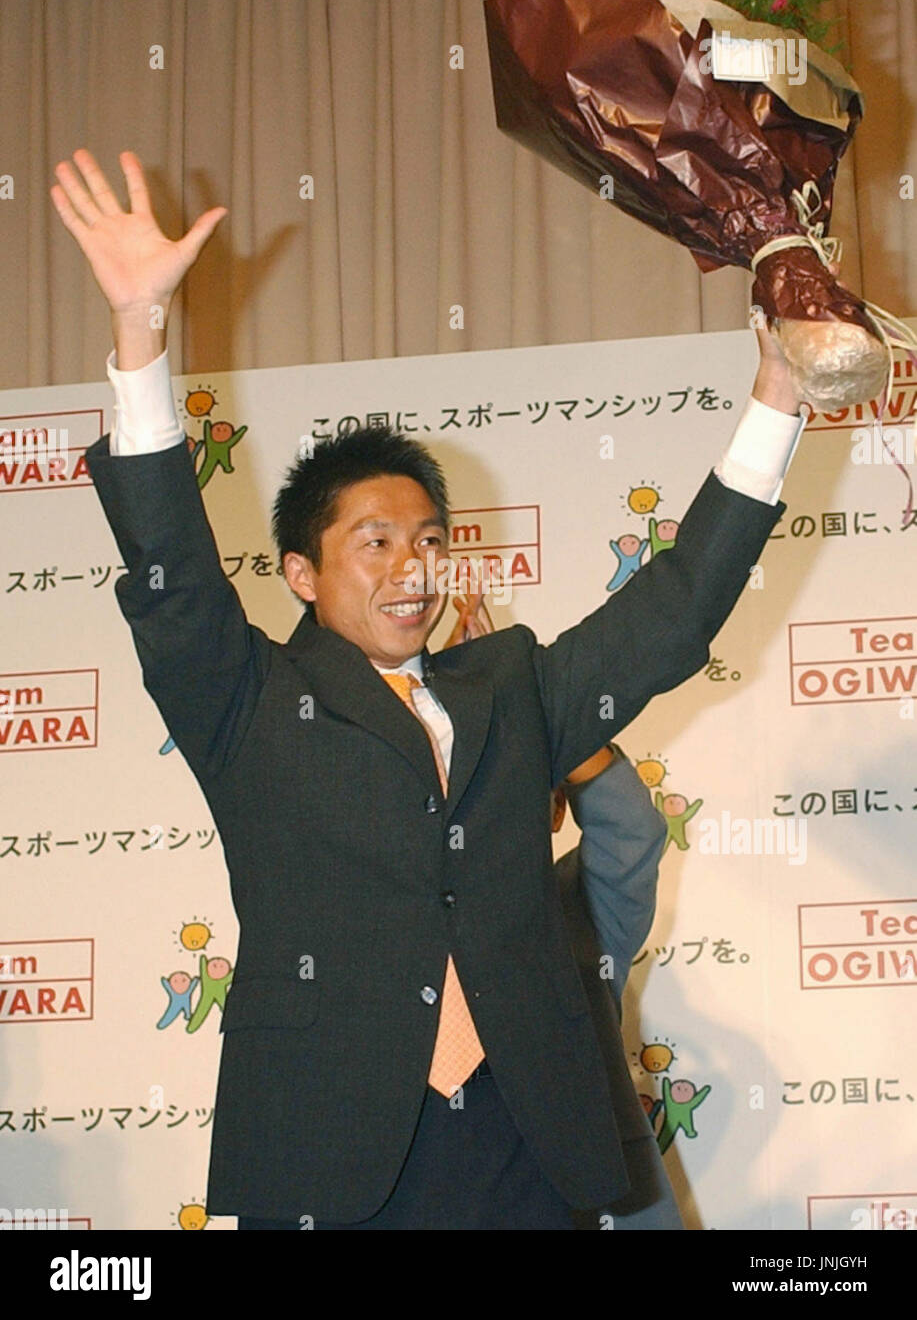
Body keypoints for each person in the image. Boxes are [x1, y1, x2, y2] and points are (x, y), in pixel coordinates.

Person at [51, 148, 806, 1230]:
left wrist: (775, 393)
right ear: (303, 576)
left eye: (427, 540)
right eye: (374, 542)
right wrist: (140, 335)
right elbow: (169, 571)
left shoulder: (512, 686)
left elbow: (673, 613)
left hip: (528, 1139)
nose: (411, 565)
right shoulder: (247, 703)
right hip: (333, 1151)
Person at [447, 593, 681, 1229]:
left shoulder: (581, 908)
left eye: (517, 794)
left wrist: (534, 703)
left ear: (556, 812)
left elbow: (631, 830)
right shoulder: (368, 914)